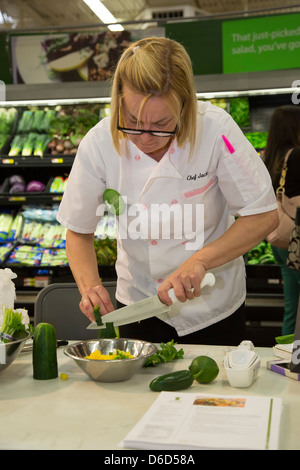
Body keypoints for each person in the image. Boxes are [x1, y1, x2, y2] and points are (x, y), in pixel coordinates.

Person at [57, 37, 278, 345]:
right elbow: (78, 230)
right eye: (132, 122)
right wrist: (90, 286)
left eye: (161, 124)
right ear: (117, 100)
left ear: (185, 105)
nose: (145, 137)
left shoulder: (217, 132)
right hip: (138, 305)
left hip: (212, 307)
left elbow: (263, 215)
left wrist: (201, 260)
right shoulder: (98, 144)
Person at [264, 105, 300, 336]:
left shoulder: (268, 158)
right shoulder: (296, 155)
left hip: (278, 237)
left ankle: (287, 355)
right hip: (296, 239)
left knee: (292, 308)